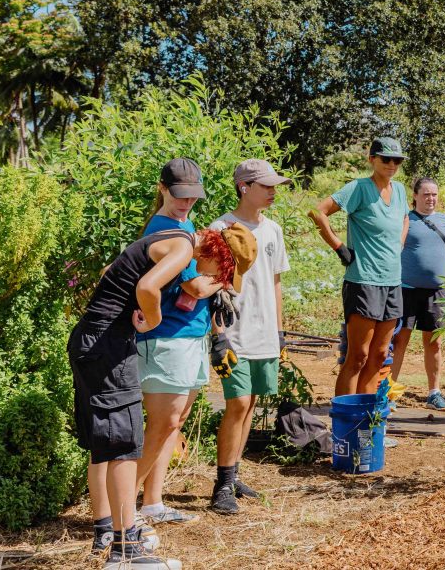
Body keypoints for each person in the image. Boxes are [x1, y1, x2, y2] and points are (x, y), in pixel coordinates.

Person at [71, 221, 203, 568]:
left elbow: (107, 271)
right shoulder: (184, 246)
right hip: (108, 345)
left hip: (92, 338)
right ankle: (127, 548)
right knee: (126, 443)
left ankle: (106, 533)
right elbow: (147, 286)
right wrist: (154, 319)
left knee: (107, 442)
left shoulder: (155, 239)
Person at [133, 159, 218, 527]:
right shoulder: (166, 230)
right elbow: (195, 286)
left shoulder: (185, 222)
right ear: (162, 188)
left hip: (190, 333)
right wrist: (229, 278)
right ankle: (126, 510)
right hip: (167, 337)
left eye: (192, 197)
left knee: (174, 421)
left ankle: (152, 502)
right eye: (180, 196)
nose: (186, 204)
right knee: (164, 421)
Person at [209, 160, 292, 516]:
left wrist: (280, 332)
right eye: (266, 186)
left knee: (252, 402)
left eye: (275, 186)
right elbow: (212, 286)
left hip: (264, 333)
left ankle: (234, 473)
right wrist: (218, 336)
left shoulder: (272, 229)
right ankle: (221, 485)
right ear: (244, 187)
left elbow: (275, 283)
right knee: (238, 404)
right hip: (235, 332)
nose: (274, 192)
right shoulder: (222, 228)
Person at [310, 138, 409, 396]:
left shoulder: (399, 190)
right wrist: (339, 247)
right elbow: (318, 211)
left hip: (393, 282)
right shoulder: (358, 188)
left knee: (378, 356)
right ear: (372, 160)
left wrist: (399, 243)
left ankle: (365, 424)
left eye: (396, 160)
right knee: (358, 355)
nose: (391, 164)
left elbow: (405, 217)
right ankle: (345, 423)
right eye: (385, 159)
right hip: (363, 280)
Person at [390, 176, 445, 411]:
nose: (431, 199)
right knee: (399, 340)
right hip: (406, 290)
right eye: (426, 194)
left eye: (434, 194)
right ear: (415, 196)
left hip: (437, 292)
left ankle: (434, 393)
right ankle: (389, 392)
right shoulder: (406, 220)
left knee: (435, 342)